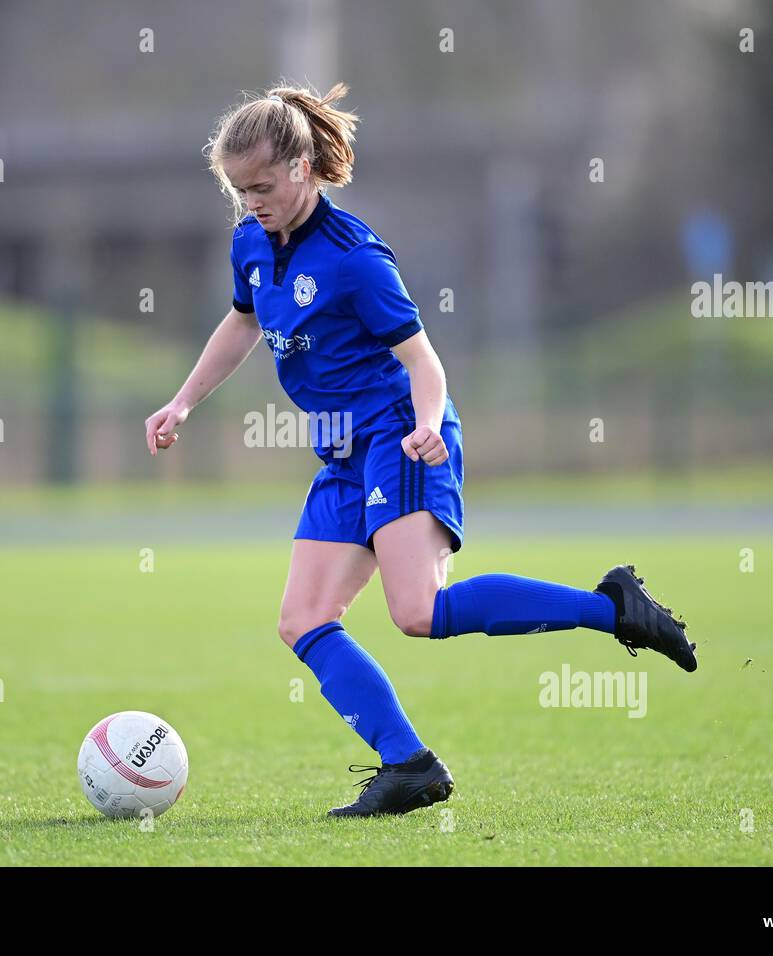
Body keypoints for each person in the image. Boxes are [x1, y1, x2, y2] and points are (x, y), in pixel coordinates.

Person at [145, 82, 697, 818]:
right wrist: (183, 399)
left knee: (420, 611)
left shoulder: (356, 260)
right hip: (340, 448)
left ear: (303, 168)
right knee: (302, 619)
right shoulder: (250, 243)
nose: (252, 201)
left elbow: (424, 362)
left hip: (399, 430)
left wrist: (429, 423)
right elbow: (242, 324)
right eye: (240, 189)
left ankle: (613, 608)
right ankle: (407, 765)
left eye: (264, 185)